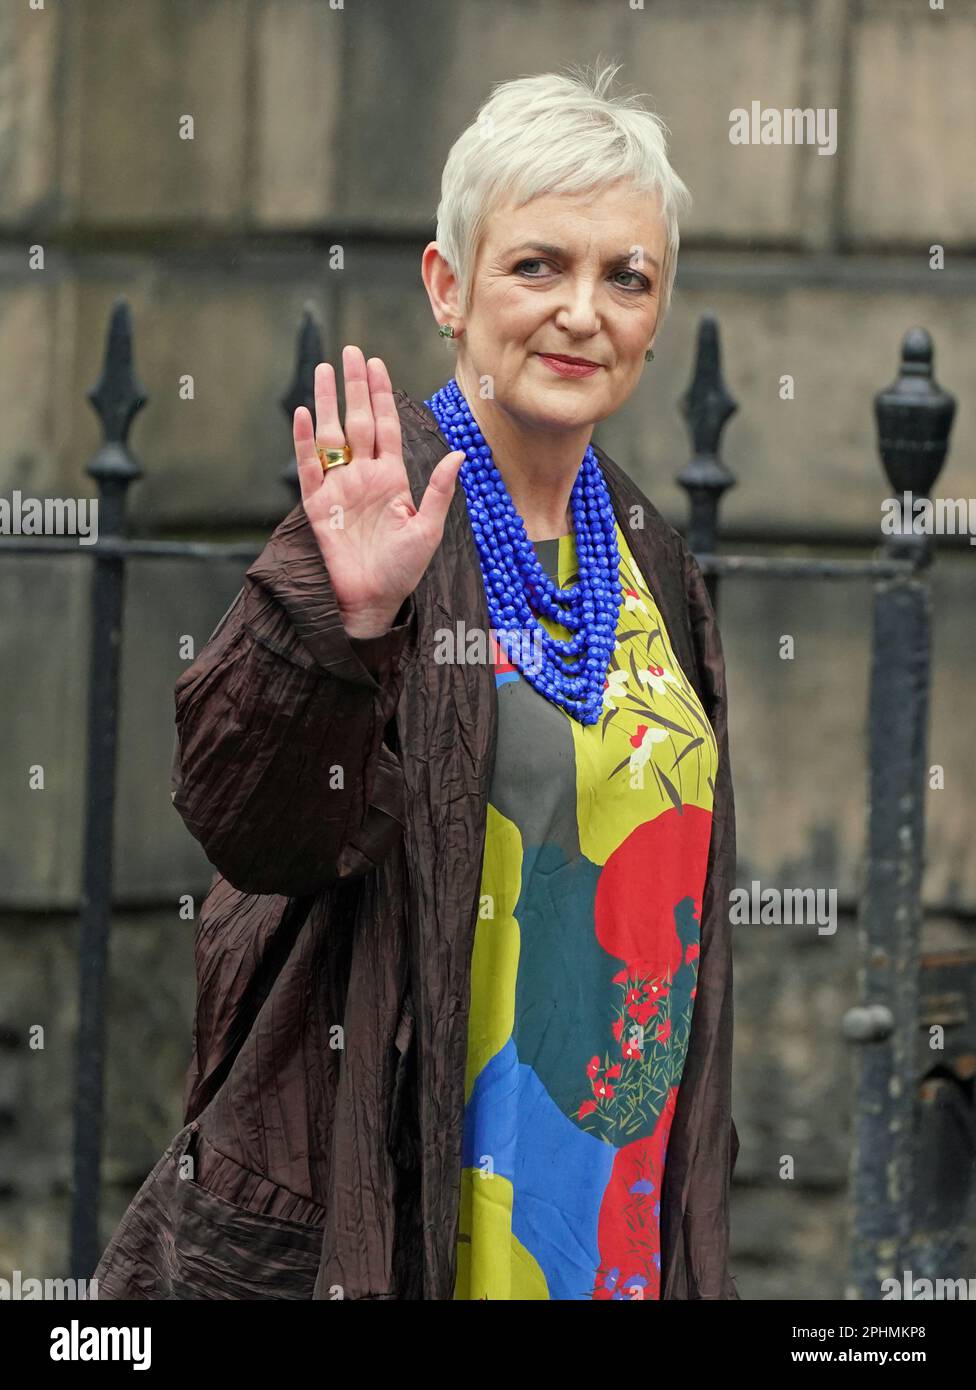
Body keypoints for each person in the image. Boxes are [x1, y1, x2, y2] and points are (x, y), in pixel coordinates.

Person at [94, 59, 739, 1301]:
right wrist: (347, 624)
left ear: (657, 318)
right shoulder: (374, 522)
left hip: (602, 1218)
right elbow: (249, 825)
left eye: (626, 277)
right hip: (398, 1213)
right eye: (537, 264)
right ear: (448, 284)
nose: (581, 311)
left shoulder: (656, 554)